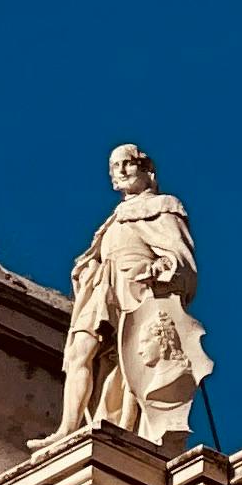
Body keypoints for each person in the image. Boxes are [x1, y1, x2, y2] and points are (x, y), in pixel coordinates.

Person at [51, 145, 211, 445]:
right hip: (101, 289)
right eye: (115, 167)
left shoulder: (163, 206)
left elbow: (181, 258)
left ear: (145, 169)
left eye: (127, 164)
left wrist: (161, 267)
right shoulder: (113, 220)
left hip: (136, 289)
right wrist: (86, 268)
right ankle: (67, 430)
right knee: (77, 354)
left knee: (129, 362)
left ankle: (126, 424)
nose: (121, 171)